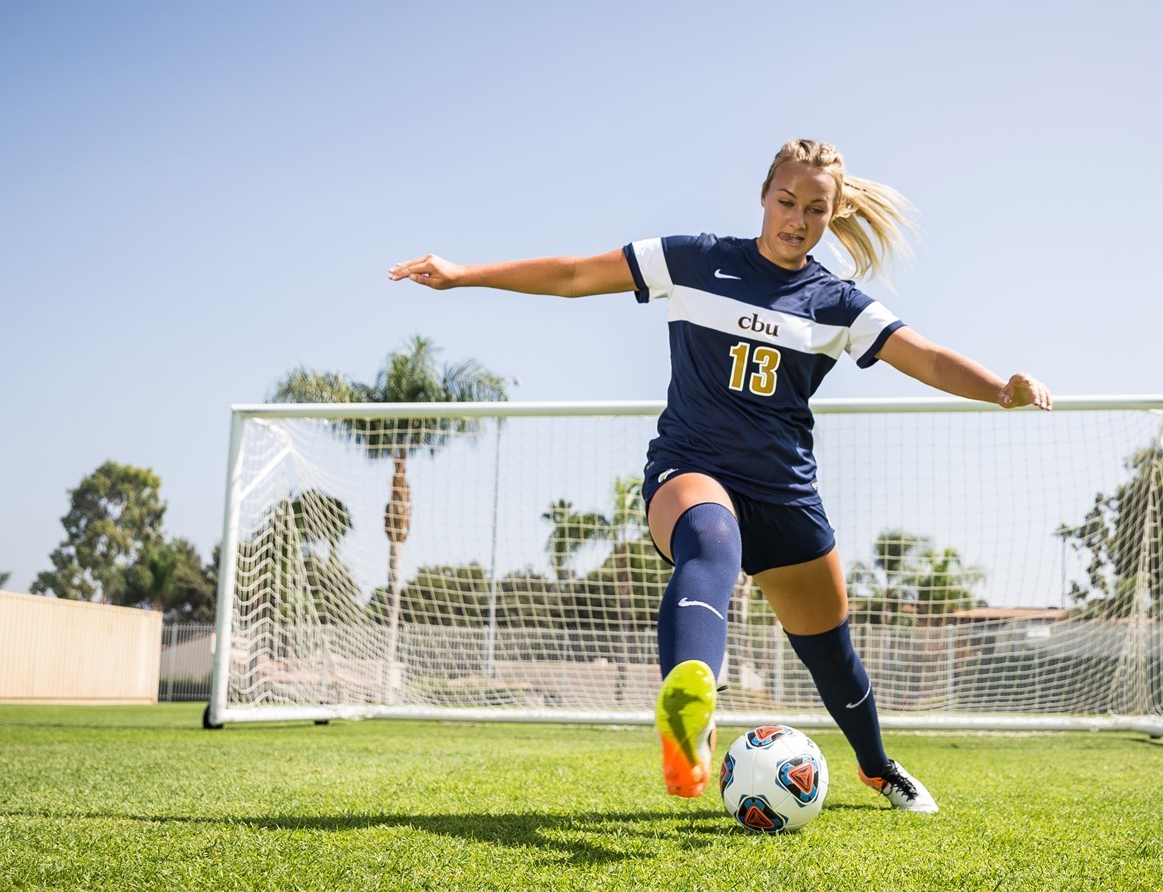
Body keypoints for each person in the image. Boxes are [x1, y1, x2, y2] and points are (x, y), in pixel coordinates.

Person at [389, 139, 1052, 814]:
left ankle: (879, 768)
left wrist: (1000, 388)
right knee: (710, 541)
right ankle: (692, 710)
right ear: (764, 196)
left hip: (785, 493)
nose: (796, 219)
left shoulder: (836, 302)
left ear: (833, 214)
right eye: (786, 201)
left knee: (832, 656)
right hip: (693, 467)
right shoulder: (695, 260)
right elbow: (572, 275)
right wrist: (465, 272)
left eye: (814, 209)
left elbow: (930, 358)